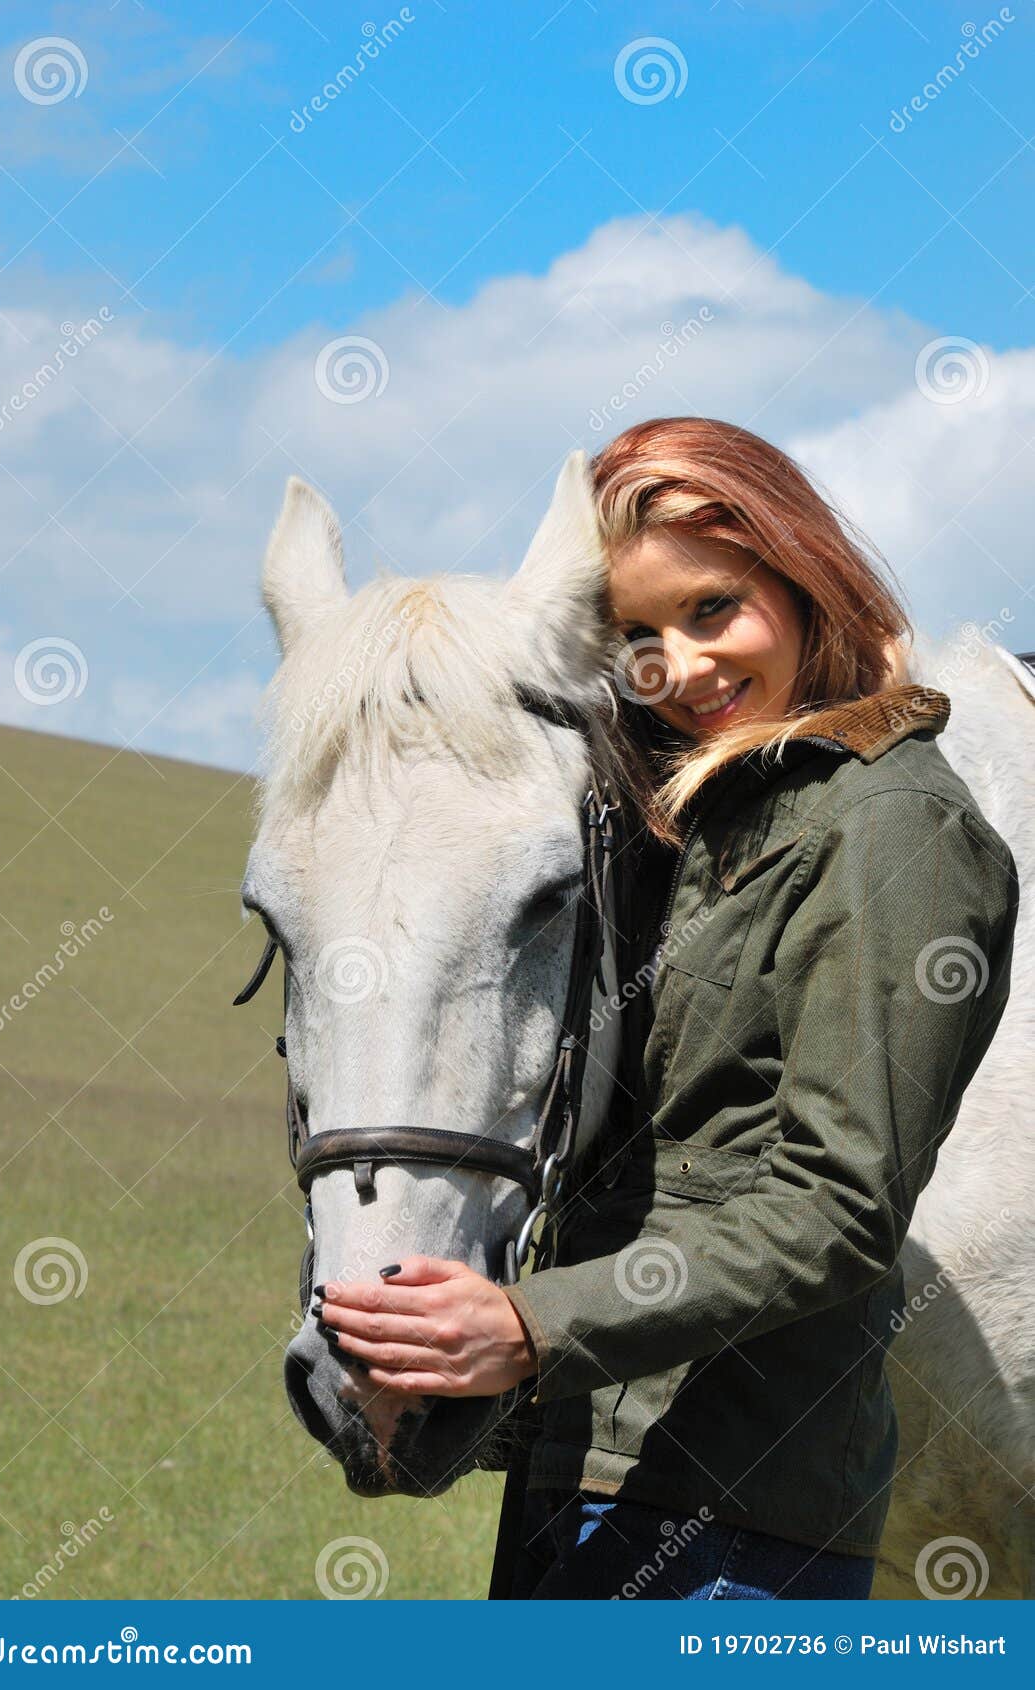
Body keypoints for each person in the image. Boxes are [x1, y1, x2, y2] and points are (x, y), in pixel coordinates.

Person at [312, 417, 1019, 1600]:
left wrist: (530, 1327)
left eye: (711, 609)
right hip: (586, 1464)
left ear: (802, 577)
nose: (677, 667)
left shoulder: (894, 827)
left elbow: (838, 1207)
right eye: (633, 636)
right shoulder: (696, 818)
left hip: (740, 1522)